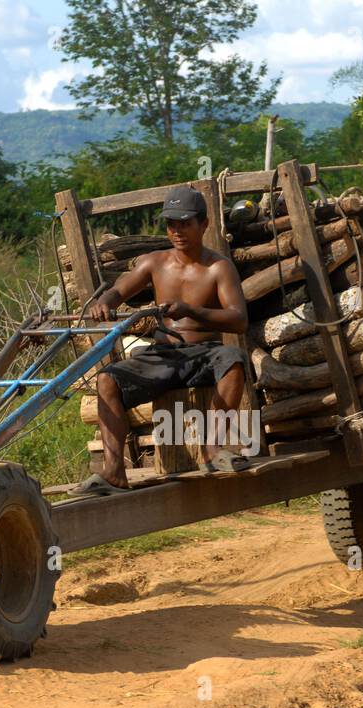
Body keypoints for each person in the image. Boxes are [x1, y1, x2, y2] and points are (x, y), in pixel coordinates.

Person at [68, 186, 249, 498]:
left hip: (204, 353)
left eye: (185, 223)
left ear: (203, 225)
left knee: (233, 360)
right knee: (107, 381)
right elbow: (118, 290)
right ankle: (113, 472)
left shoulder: (218, 267)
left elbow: (239, 319)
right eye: (171, 224)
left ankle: (213, 450)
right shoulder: (154, 263)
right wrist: (104, 302)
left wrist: (192, 311)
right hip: (164, 355)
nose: (177, 231)